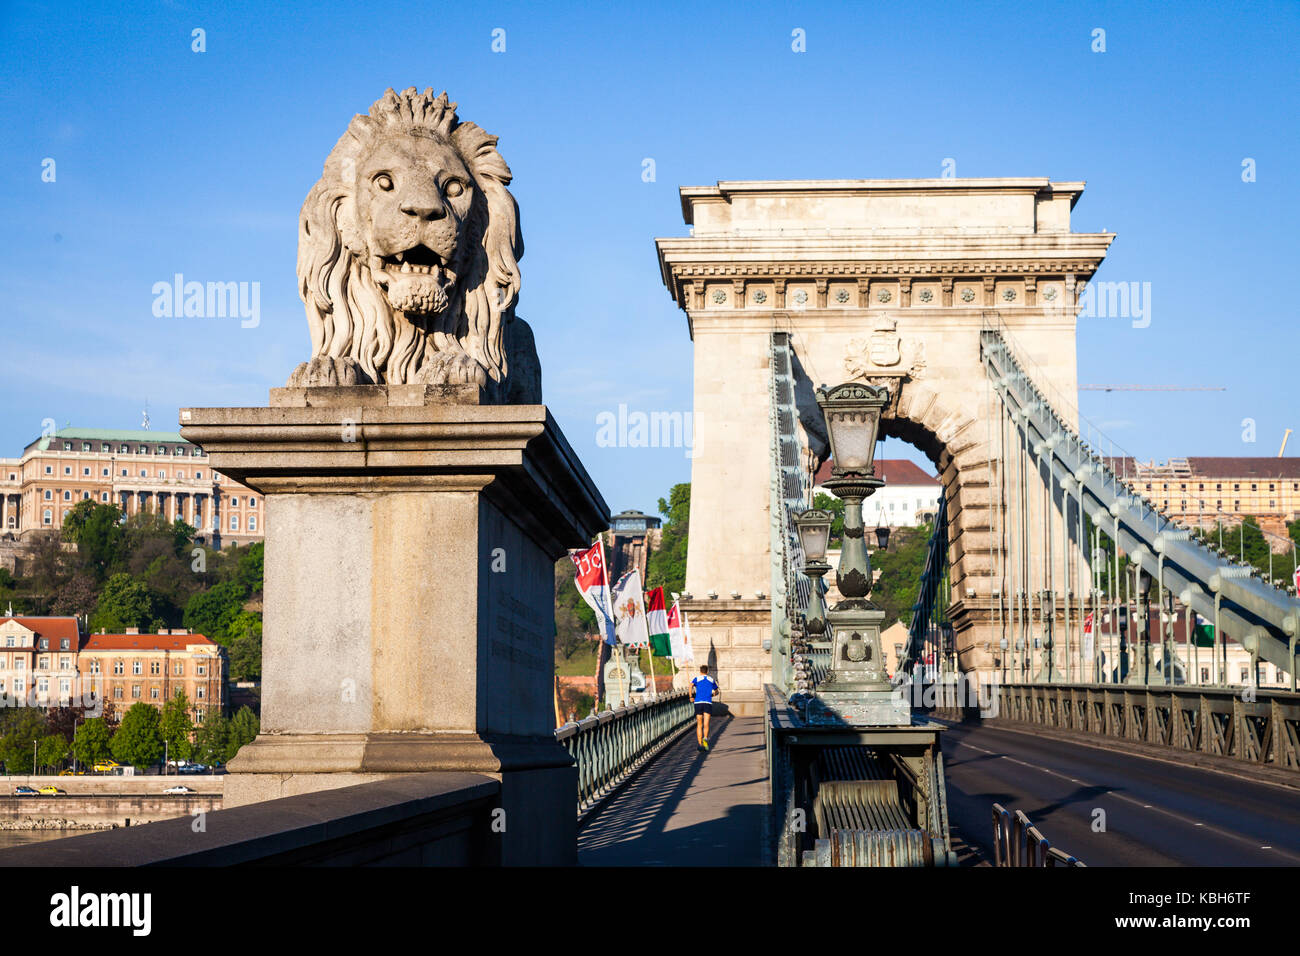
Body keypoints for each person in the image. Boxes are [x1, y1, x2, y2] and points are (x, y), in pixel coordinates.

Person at [690, 665, 720, 751]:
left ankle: (699, 744)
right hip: (707, 702)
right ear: (707, 672)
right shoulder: (711, 679)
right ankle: (705, 738)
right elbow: (717, 691)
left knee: (699, 724)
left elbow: (690, 686)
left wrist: (691, 696)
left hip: (698, 702)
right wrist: (713, 694)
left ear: (700, 671)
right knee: (706, 724)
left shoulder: (697, 678)